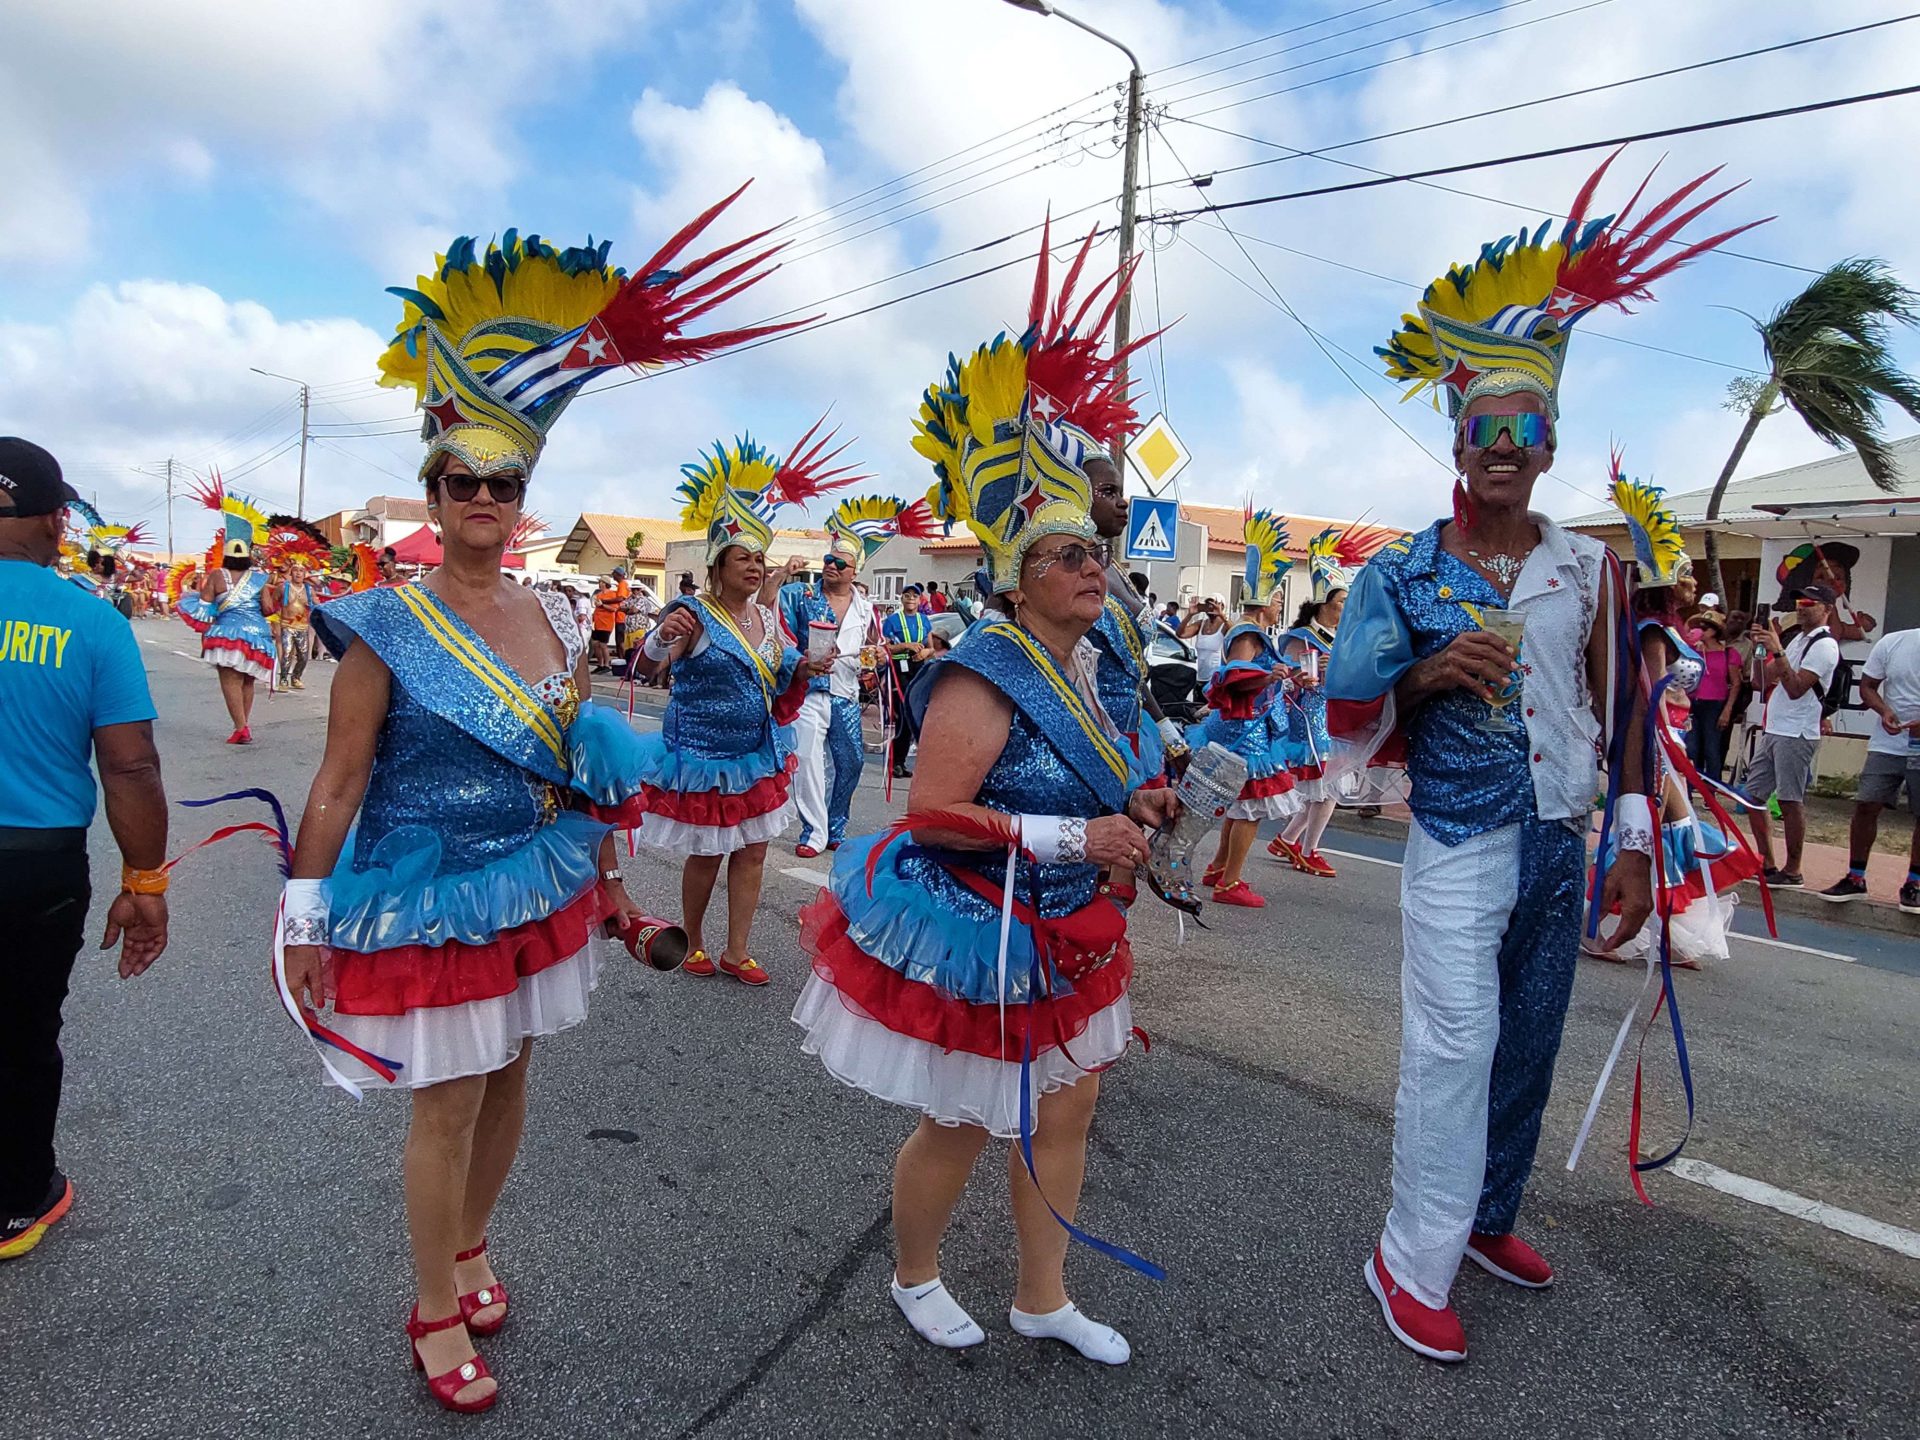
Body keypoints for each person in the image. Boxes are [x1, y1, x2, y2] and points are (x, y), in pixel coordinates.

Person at [267, 203, 791, 1414]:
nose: (483, 495)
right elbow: (339, 780)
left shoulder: (558, 618)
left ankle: (469, 1243)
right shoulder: (381, 628)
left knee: (511, 1077)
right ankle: (433, 1308)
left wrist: (608, 879)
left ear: (523, 495)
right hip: (431, 890)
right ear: (433, 491)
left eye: (504, 479)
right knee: (446, 1099)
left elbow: (569, 769)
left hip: (538, 876)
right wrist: (303, 920)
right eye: (463, 479)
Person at [1329, 151, 1751, 1362]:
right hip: (1457, 838)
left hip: (1563, 837)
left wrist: (1633, 848)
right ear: (1456, 443)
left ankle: (1485, 1217)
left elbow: (1624, 712)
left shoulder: (1592, 566)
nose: (1501, 447)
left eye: (1523, 430)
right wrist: (1420, 673)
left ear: (1549, 445)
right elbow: (1344, 718)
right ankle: (1405, 1258)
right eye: (1482, 429)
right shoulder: (1399, 573)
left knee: (1528, 1042)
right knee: (1452, 1046)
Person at [797, 222, 1173, 1362]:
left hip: (1074, 927)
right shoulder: (981, 669)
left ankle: (1042, 1295)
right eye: (1067, 559)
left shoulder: (1098, 662)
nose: (1091, 568)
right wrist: (1078, 833)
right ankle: (915, 1276)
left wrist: (1141, 809)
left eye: (1094, 553)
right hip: (986, 924)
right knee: (963, 1120)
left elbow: (1119, 770)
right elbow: (927, 815)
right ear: (1020, 579)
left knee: (1067, 1113)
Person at [0, 438, 170, 1261]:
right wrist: (144, 881)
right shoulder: (89, 621)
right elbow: (129, 763)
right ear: (52, 518)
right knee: (23, 1032)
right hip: (32, 863)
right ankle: (17, 1201)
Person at [624, 427, 846, 983]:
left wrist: (807, 666)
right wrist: (657, 639)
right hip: (702, 758)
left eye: (759, 558)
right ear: (718, 564)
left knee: (752, 853)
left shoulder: (768, 618)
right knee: (709, 853)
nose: (753, 567)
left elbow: (782, 667)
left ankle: (738, 949)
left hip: (756, 751)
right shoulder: (692, 613)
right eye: (741, 558)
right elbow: (646, 665)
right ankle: (695, 941)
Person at [1586, 470, 1762, 967]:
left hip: (1671, 743)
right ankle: (1616, 928)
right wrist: (1662, 752)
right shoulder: (1652, 633)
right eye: (1686, 574)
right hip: (1660, 745)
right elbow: (1650, 698)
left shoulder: (1668, 629)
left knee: (1670, 837)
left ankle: (1659, 934)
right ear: (1666, 582)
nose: (1694, 584)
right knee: (1664, 834)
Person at [1190, 511, 1299, 908]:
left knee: (1240, 804)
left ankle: (1219, 867)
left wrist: (1280, 675)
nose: (1280, 601)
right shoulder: (1248, 632)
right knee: (1250, 806)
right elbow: (1234, 676)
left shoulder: (1249, 631)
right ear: (1262, 598)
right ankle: (1229, 881)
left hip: (1247, 727)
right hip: (1245, 731)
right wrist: (1270, 677)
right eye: (1278, 596)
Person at [1270, 526, 1391, 878]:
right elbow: (1291, 679)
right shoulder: (1301, 636)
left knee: (1329, 788)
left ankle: (1289, 839)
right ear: (1323, 604)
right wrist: (1315, 671)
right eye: (1340, 603)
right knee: (1328, 788)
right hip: (1311, 718)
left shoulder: (1341, 639)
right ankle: (1308, 849)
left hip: (1334, 715)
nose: (1345, 609)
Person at [779, 496, 878, 858]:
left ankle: (836, 825)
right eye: (828, 560)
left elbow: (872, 647)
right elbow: (781, 632)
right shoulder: (801, 594)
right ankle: (814, 831)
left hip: (846, 693)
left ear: (855, 572)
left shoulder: (867, 608)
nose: (831, 566)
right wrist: (779, 575)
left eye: (840, 563)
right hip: (809, 692)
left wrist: (877, 657)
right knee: (807, 760)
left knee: (851, 761)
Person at [1741, 585, 1842, 887]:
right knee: (1753, 796)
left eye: (1810, 602)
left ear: (1827, 609)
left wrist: (1777, 649)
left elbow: (1796, 689)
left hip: (1797, 731)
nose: (1801, 606)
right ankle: (1767, 862)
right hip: (1775, 728)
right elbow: (1760, 680)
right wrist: (1760, 647)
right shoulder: (1797, 639)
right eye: (1799, 601)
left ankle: (1793, 868)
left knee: (1789, 799)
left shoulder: (1825, 645)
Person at [1819, 626, 1920, 912]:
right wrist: (1884, 710)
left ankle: (1914, 883)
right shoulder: (1894, 641)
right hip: (1888, 742)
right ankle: (1856, 877)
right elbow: (1867, 686)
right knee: (1866, 804)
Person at [176, 482, 276, 744]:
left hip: (228, 634)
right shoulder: (260, 578)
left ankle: (240, 726)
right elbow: (267, 609)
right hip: (258, 636)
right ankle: (244, 725)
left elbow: (205, 606)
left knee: (229, 680)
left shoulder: (217, 575)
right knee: (247, 681)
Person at [883, 585, 935, 777]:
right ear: (902, 599)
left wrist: (924, 652)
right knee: (903, 715)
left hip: (918, 669)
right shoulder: (893, 620)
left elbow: (932, 648)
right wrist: (905, 646)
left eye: (915, 596)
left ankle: (902, 761)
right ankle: (894, 761)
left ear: (920, 599)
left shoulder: (924, 620)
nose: (911, 599)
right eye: (907, 596)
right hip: (900, 670)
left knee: (916, 714)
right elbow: (885, 647)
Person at [1686, 609, 1739, 781]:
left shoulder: (1728, 653)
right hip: (1693, 702)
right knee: (1691, 747)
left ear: (1715, 631)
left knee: (1711, 748)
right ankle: (1689, 787)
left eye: (1707, 627)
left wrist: (1727, 710)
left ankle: (1712, 788)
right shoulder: (1693, 650)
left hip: (1715, 704)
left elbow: (1736, 683)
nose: (1702, 630)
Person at [265, 559, 318, 690]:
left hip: (302, 626)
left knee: (304, 656)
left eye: (301, 571)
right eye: (295, 570)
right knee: (287, 652)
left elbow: (318, 603)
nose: (298, 574)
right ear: (291, 572)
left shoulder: (309, 590)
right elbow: (271, 603)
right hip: (286, 625)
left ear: (305, 574)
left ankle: (296, 677)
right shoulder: (283, 587)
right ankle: (283, 679)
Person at [1180, 593, 1228, 685]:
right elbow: (1181, 634)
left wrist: (1222, 615)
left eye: (1213, 604)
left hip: (1217, 680)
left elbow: (1235, 632)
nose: (1210, 607)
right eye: (1207, 604)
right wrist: (1189, 615)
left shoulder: (1224, 625)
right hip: (1200, 678)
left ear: (1221, 606)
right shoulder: (1201, 624)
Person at [590, 567, 630, 674]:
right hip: (597, 623)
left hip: (607, 622)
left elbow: (616, 605)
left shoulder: (616, 590)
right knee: (595, 643)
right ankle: (601, 664)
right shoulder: (599, 595)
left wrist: (603, 604)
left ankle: (610, 664)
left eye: (601, 582)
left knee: (606, 644)